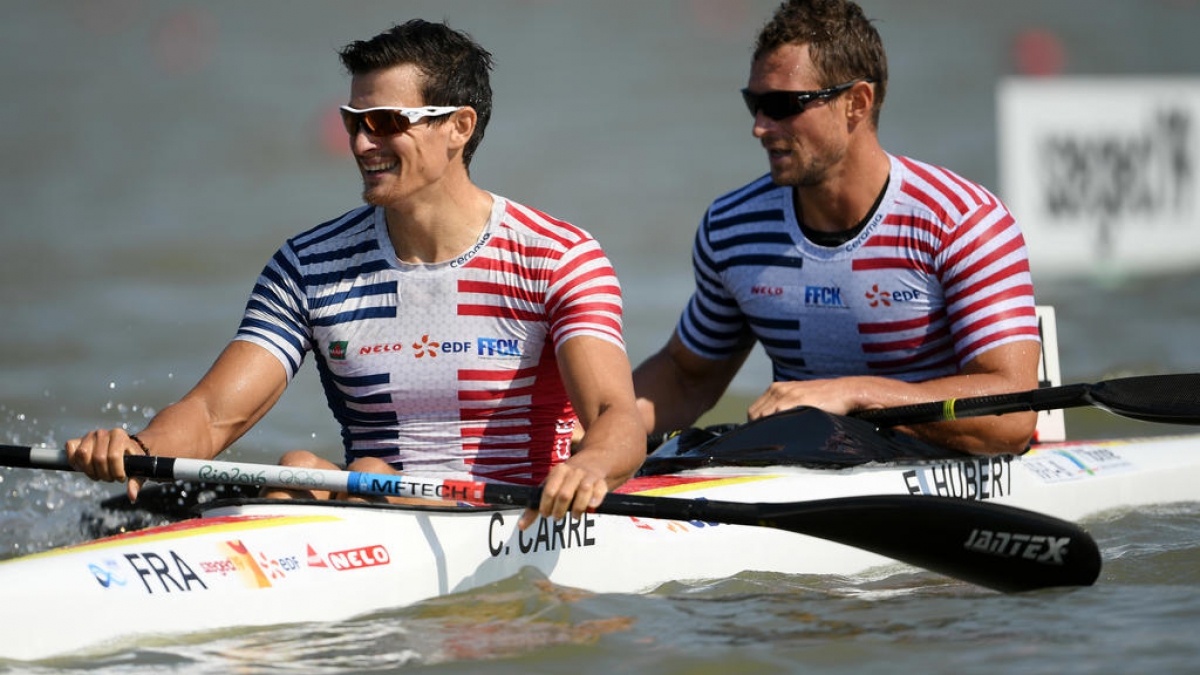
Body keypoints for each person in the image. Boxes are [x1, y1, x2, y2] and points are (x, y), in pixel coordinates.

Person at [66, 19, 645, 530]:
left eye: (386, 121)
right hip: (371, 515)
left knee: (329, 470)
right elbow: (213, 414)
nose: (363, 142)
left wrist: (591, 466)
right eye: (353, 120)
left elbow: (614, 417)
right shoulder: (308, 265)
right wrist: (137, 447)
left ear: (459, 127)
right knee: (306, 470)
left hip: (517, 516)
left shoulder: (557, 256)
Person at [633, 0, 1041, 456]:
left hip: (953, 459)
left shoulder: (962, 222)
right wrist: (593, 430)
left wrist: (853, 394)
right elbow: (686, 377)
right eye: (754, 103)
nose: (760, 127)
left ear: (856, 104)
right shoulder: (732, 229)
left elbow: (1012, 418)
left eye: (783, 105)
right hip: (810, 458)